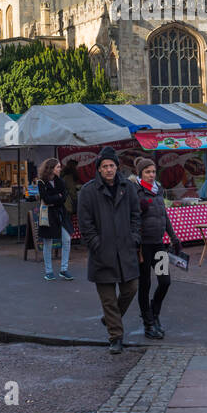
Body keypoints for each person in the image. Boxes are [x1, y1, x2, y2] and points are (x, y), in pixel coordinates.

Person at [77, 147, 141, 355]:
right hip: (102, 253)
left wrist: (134, 237)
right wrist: (95, 243)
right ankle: (116, 337)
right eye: (104, 166)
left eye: (112, 165)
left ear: (117, 167)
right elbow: (84, 223)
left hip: (125, 250)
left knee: (131, 288)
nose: (108, 169)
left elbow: (135, 215)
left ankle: (109, 319)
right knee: (108, 299)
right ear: (99, 169)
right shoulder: (88, 191)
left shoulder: (128, 188)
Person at [136, 158, 181, 339]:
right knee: (144, 284)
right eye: (147, 172)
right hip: (142, 247)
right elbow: (132, 218)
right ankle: (148, 324)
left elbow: (164, 216)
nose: (151, 175)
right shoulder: (136, 191)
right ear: (141, 174)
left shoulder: (158, 190)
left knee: (165, 281)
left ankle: (154, 313)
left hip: (158, 244)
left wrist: (174, 237)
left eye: (153, 171)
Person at [36, 158, 73, 280]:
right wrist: (58, 196)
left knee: (67, 239)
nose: (60, 169)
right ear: (51, 168)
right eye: (58, 167)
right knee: (48, 242)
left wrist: (55, 198)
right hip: (48, 215)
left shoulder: (60, 181)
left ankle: (64, 269)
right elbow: (46, 199)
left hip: (60, 213)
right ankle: (48, 271)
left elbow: (64, 197)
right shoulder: (41, 182)